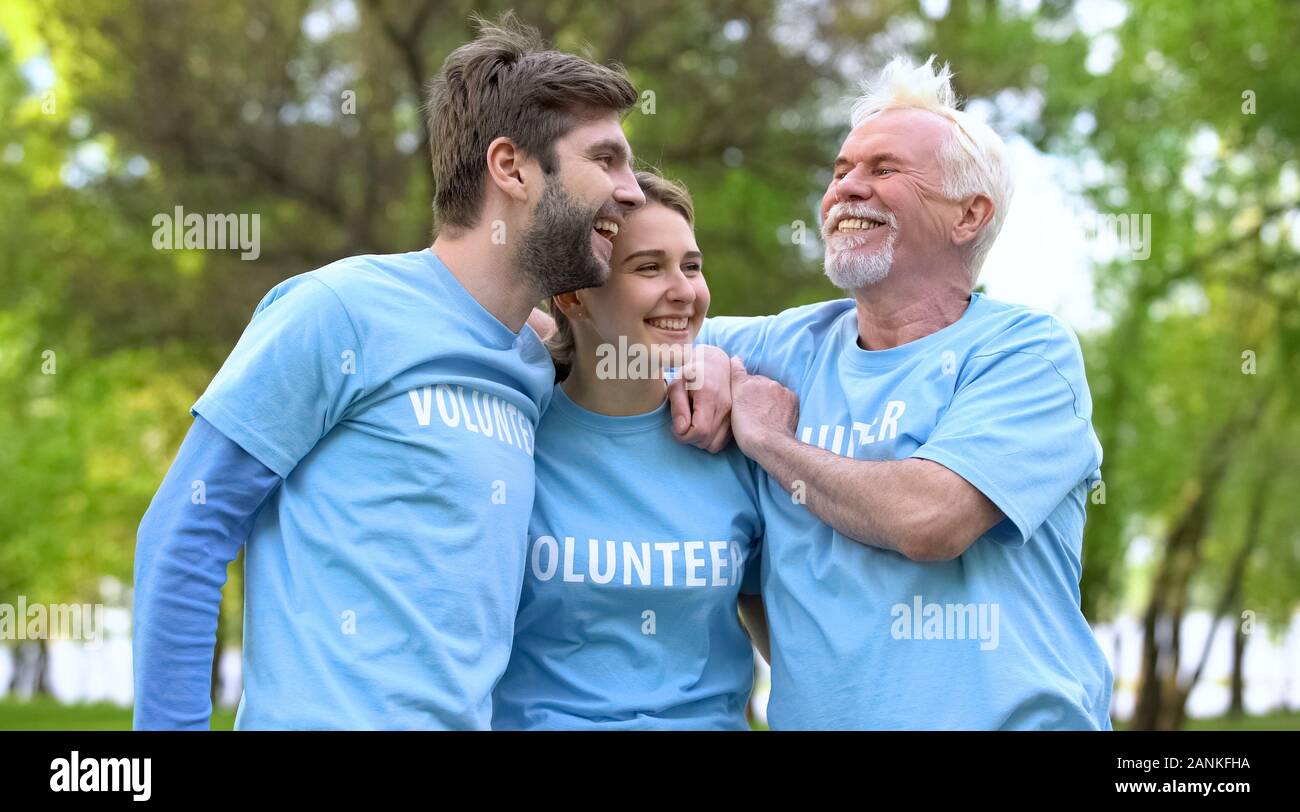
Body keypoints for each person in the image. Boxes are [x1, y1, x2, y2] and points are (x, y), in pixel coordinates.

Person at [131, 14, 652, 729]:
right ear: (512, 167)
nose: (634, 192)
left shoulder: (531, 365)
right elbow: (185, 532)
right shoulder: (340, 310)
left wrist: (706, 372)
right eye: (607, 159)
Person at [701, 55, 1115, 729]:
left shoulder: (1027, 354)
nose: (846, 190)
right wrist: (702, 365)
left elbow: (931, 520)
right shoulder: (789, 345)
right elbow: (608, 336)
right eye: (840, 171)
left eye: (883, 170)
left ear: (968, 215)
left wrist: (770, 440)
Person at [492, 171, 769, 730]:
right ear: (573, 295)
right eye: (648, 267)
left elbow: (791, 648)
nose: (685, 290)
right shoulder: (510, 437)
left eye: (692, 266)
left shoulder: (732, 441)